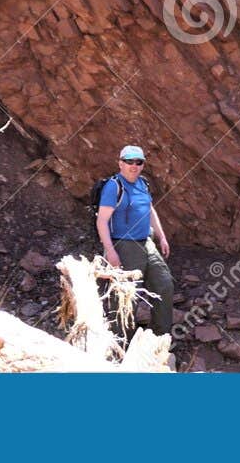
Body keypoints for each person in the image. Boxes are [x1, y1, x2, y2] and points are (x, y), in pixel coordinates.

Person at [97, 143, 174, 336]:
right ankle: (120, 342)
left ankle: (158, 337)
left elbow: (150, 210)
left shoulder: (142, 183)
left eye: (138, 162)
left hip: (146, 242)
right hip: (123, 245)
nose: (134, 165)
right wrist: (111, 251)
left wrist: (162, 237)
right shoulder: (113, 186)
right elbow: (102, 221)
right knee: (126, 295)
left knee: (164, 285)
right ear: (120, 163)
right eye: (129, 161)